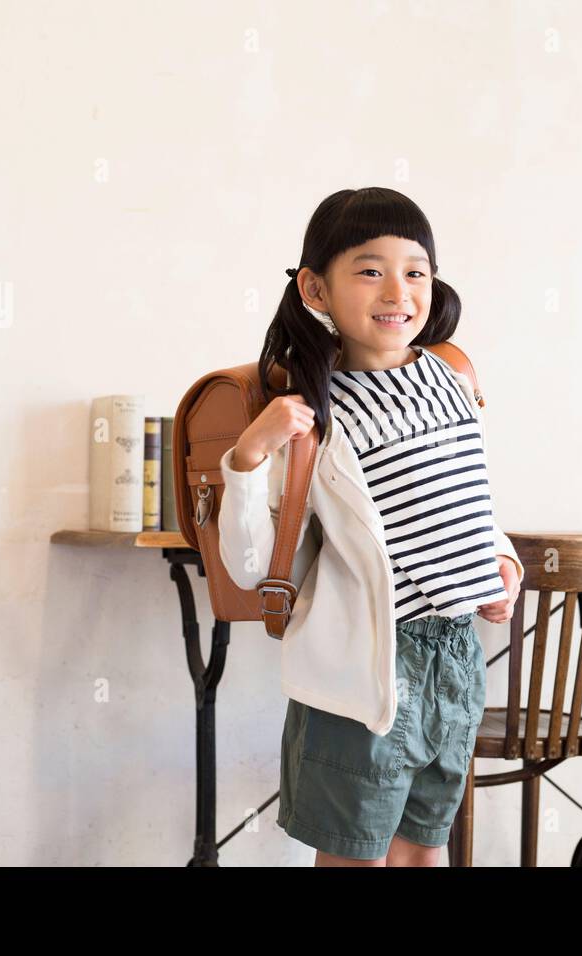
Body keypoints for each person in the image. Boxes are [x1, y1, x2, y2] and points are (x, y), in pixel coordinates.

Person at [217, 186, 524, 867]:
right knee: (357, 857)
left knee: (424, 853)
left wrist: (500, 566)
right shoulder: (310, 415)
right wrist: (248, 455)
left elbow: (470, 503)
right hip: (367, 666)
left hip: (455, 657)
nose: (398, 290)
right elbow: (250, 566)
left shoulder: (452, 375)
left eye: (415, 270)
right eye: (369, 269)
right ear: (315, 290)